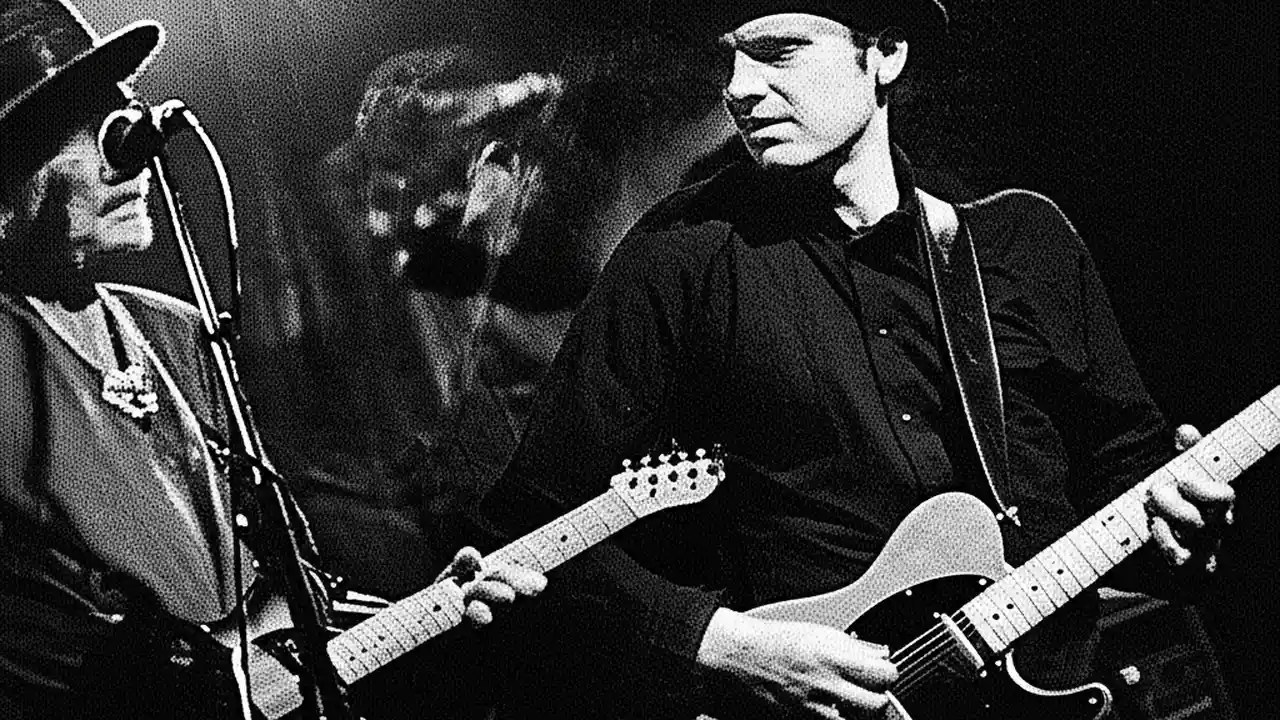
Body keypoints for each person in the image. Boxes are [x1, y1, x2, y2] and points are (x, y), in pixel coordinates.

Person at [478, 1, 1237, 718]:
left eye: (779, 53)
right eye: (731, 61)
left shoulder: (1024, 243)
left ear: (886, 54)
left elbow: (1131, 490)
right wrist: (729, 647)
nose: (739, 90)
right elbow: (531, 528)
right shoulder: (681, 253)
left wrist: (1186, 532)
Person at [0, 1, 545, 718]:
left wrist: (424, 609)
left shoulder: (176, 332)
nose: (123, 149)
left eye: (121, 108)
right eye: (78, 124)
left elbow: (273, 592)